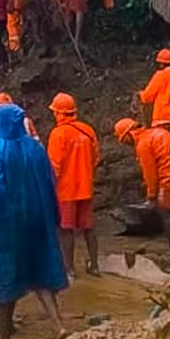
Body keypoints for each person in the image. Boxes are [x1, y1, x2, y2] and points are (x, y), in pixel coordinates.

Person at [0, 103, 67, 339]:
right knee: (40, 274)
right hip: (38, 221)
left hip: (7, 226)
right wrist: (55, 217)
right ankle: (58, 327)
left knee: (5, 283)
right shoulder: (35, 149)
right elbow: (50, 183)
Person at [115, 118, 170, 265]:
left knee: (164, 210)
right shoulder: (155, 132)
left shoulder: (143, 145)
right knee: (168, 208)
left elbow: (151, 174)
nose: (126, 144)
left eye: (124, 140)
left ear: (129, 134)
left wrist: (152, 197)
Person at [46, 92, 100, 276]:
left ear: (60, 113)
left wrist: (48, 188)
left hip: (65, 190)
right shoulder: (88, 130)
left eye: (55, 112)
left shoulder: (58, 134)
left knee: (65, 229)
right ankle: (95, 265)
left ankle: (69, 269)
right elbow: (95, 158)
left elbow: (54, 166)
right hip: (85, 188)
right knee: (88, 227)